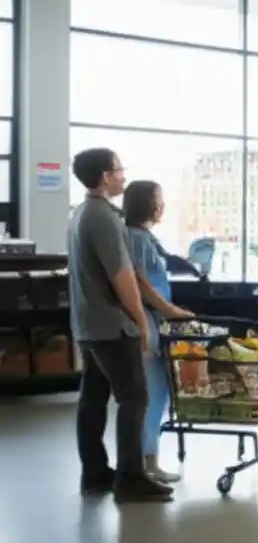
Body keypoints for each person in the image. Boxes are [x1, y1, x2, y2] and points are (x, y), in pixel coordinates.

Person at [69, 148, 173, 503]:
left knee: (93, 399)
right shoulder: (104, 217)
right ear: (103, 177)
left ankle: (95, 472)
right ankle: (131, 476)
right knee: (135, 396)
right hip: (112, 325)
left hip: (87, 322)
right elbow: (123, 275)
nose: (123, 177)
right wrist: (141, 320)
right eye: (118, 170)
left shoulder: (80, 212)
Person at [122, 180, 194, 484]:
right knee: (153, 394)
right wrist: (170, 310)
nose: (162, 206)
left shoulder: (146, 237)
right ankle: (144, 463)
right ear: (146, 204)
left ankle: (149, 459)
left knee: (159, 392)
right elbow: (139, 282)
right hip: (147, 322)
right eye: (158, 200)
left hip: (155, 321)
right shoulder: (136, 238)